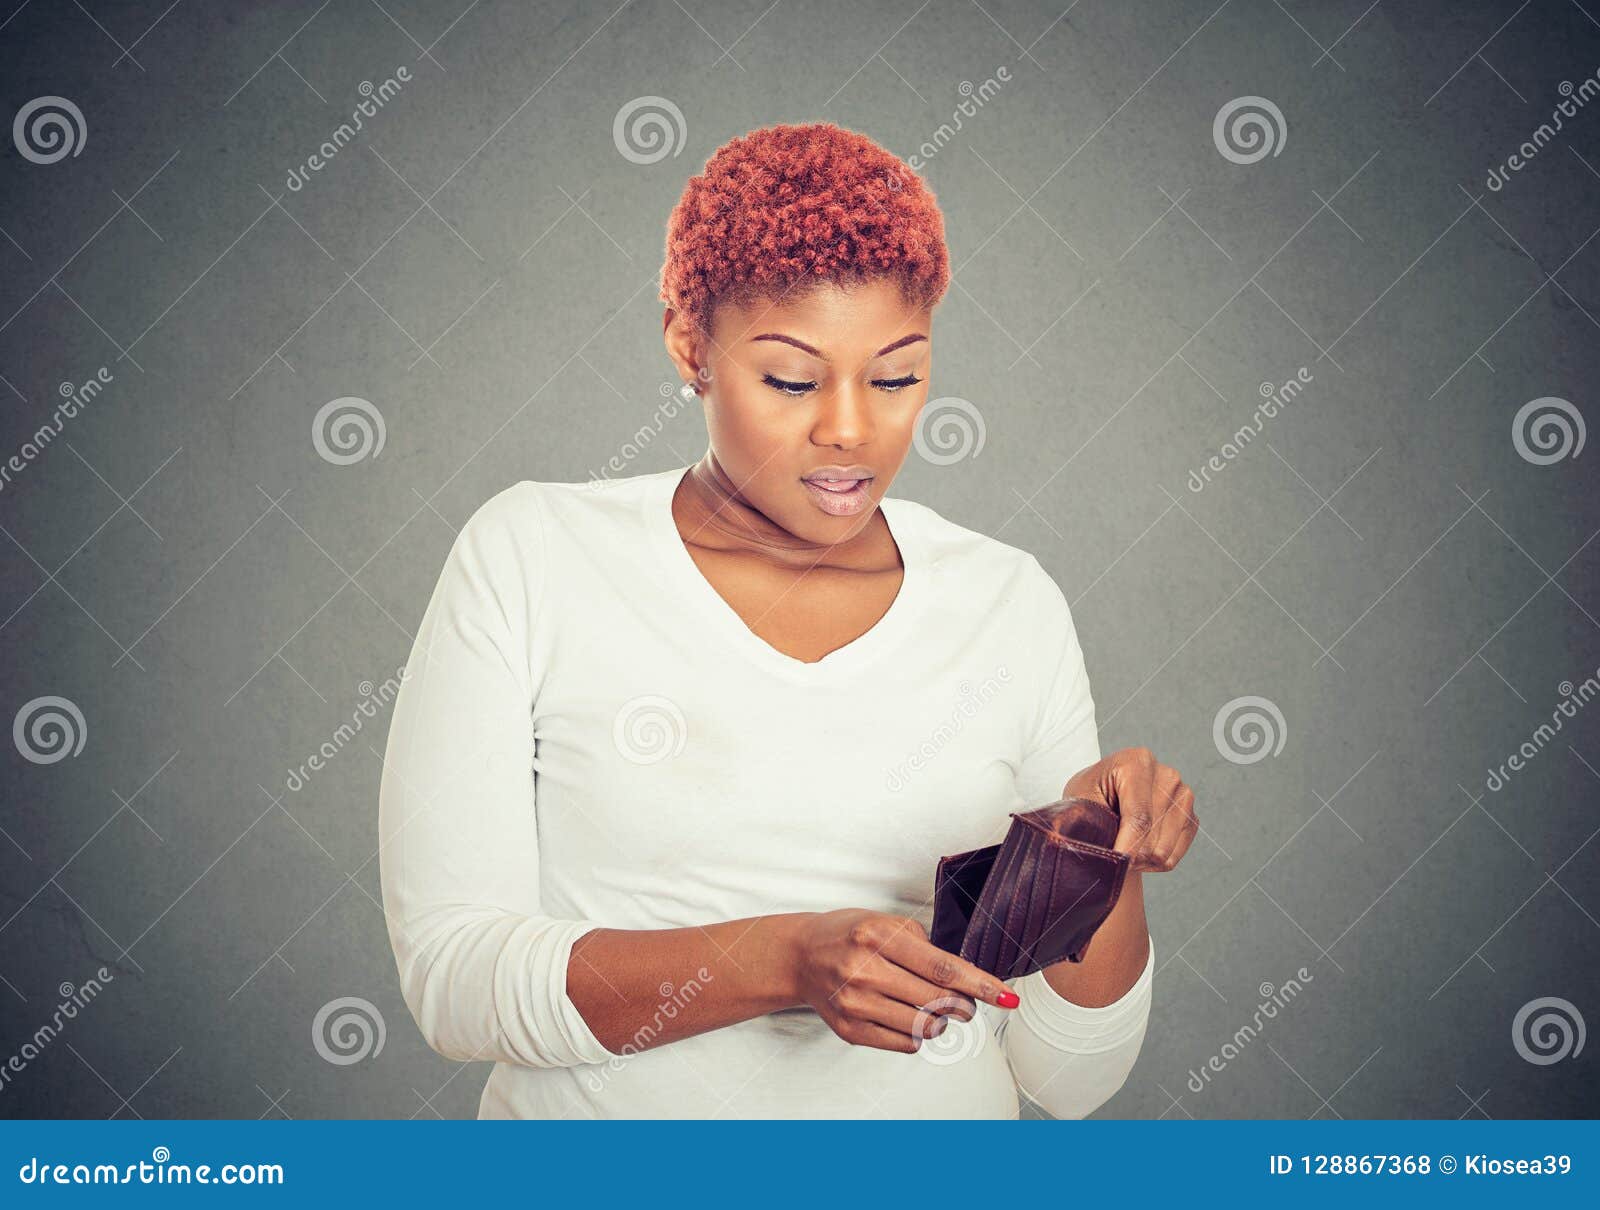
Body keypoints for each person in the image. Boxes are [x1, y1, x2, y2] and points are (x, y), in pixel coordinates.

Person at [377, 122, 1198, 1119]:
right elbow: (456, 981)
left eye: (895, 377)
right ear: (690, 347)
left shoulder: (1006, 599)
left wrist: (1099, 858)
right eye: (792, 380)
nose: (848, 425)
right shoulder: (534, 555)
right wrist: (785, 958)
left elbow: (1069, 1080)